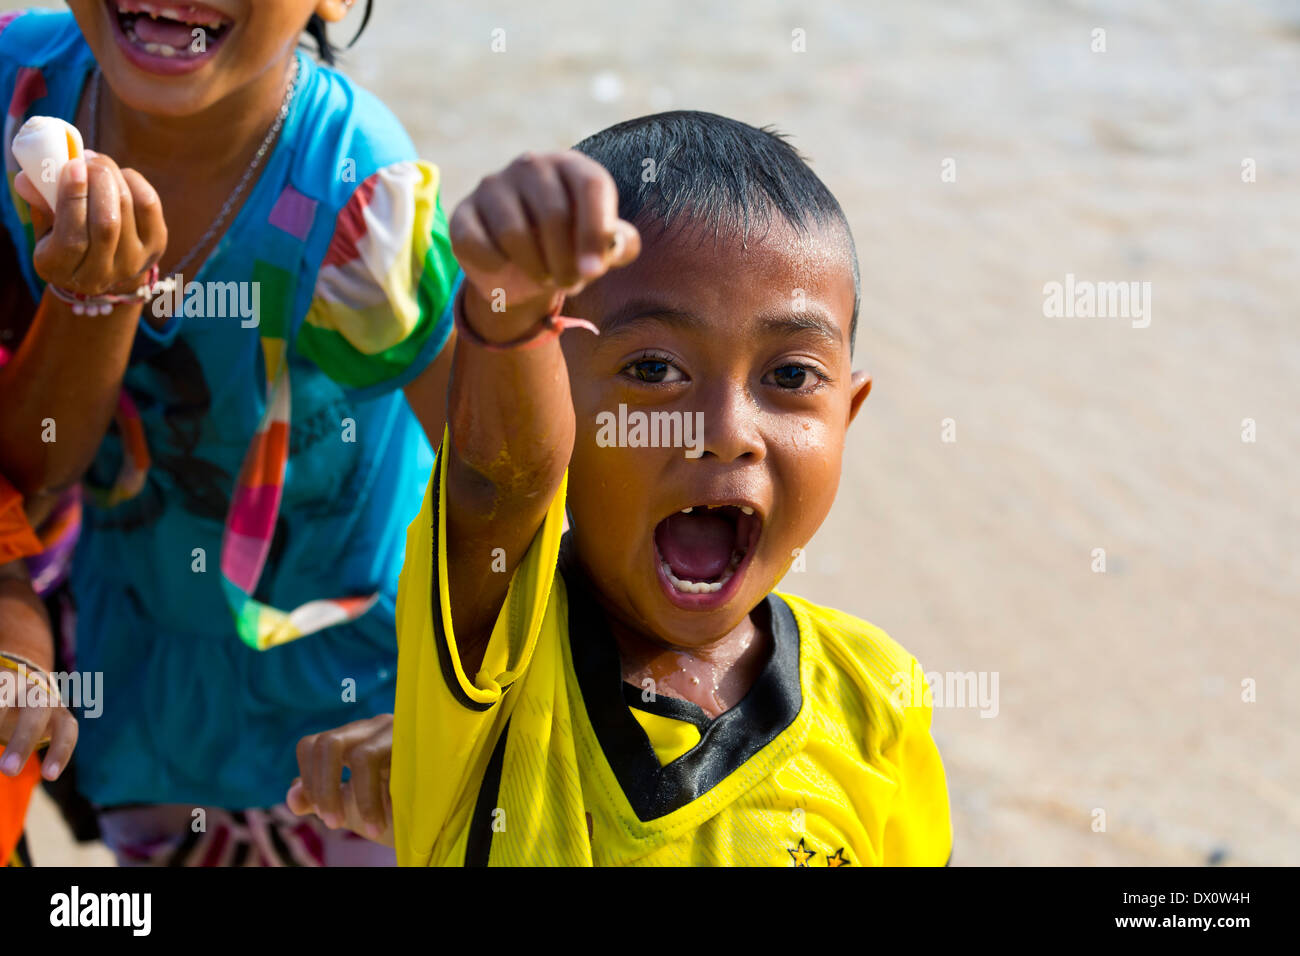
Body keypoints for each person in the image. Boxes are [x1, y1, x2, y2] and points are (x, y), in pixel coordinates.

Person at [288, 110, 953, 865]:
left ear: (849, 412)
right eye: (652, 371)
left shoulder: (876, 696)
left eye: (791, 376)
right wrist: (508, 304)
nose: (726, 430)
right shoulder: (493, 652)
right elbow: (500, 478)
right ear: (557, 402)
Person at [0, 1, 459, 865]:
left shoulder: (354, 187)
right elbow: (27, 471)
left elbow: (497, 478)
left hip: (360, 698)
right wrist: (88, 302)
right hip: (140, 670)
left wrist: (468, 710)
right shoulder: (19, 93)